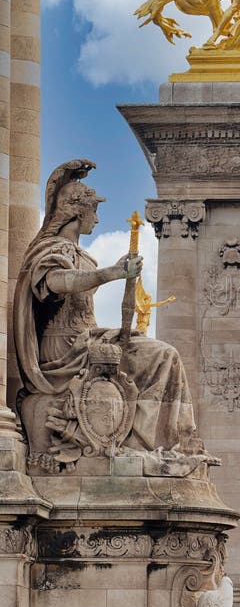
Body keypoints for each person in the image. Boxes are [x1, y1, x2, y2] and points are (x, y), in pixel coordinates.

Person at [14, 159, 197, 466]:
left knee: (166, 356)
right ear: (75, 210)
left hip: (91, 342)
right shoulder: (51, 251)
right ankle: (144, 444)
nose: (97, 219)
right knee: (163, 356)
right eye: (93, 209)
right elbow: (59, 282)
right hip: (66, 350)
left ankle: (161, 444)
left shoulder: (84, 256)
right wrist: (112, 273)